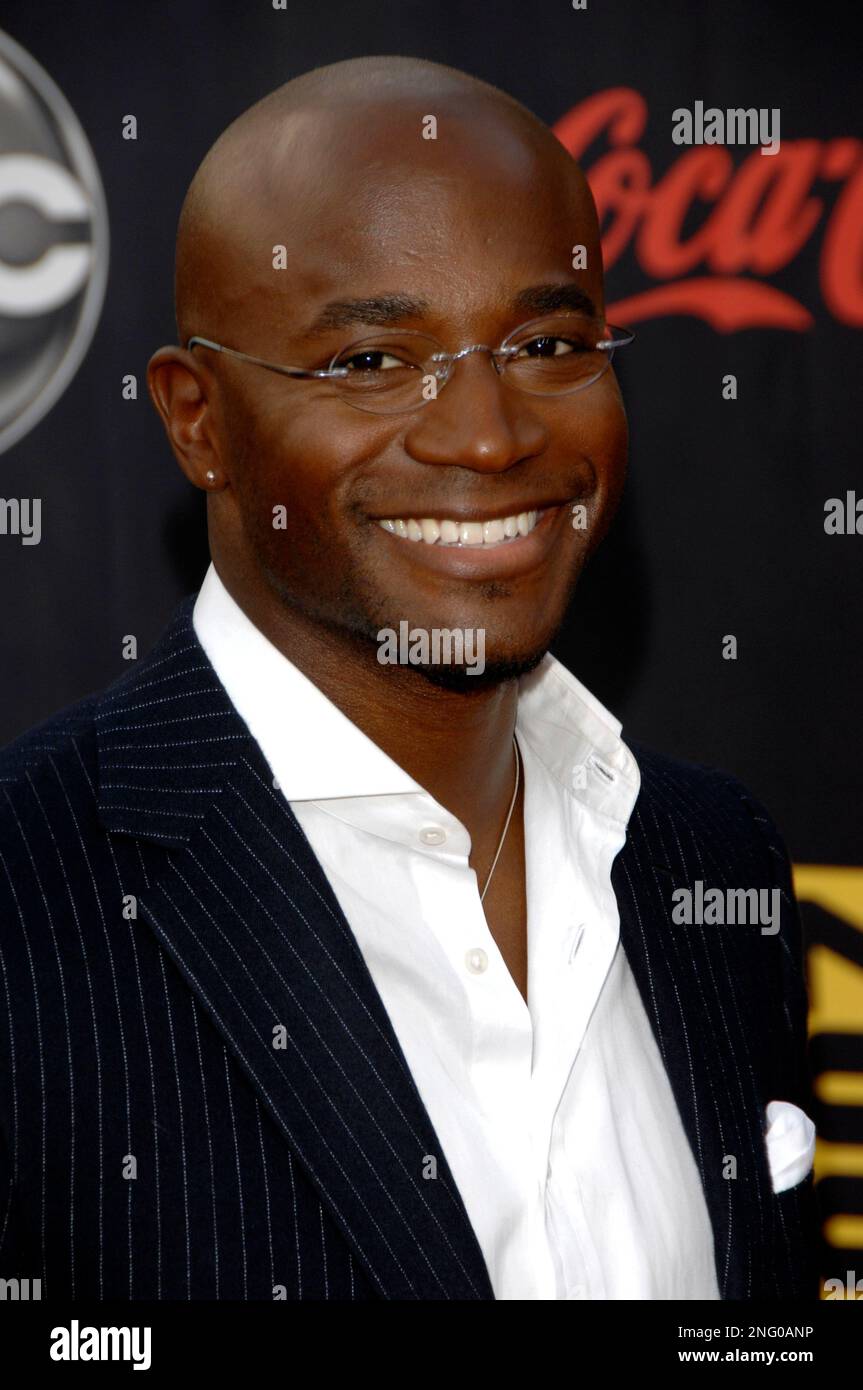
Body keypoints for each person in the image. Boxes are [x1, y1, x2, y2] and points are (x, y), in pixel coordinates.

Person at [0, 55, 818, 1300]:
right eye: (372, 363)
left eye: (546, 340)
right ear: (197, 419)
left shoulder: (710, 854)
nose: (486, 434)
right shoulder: (25, 898)